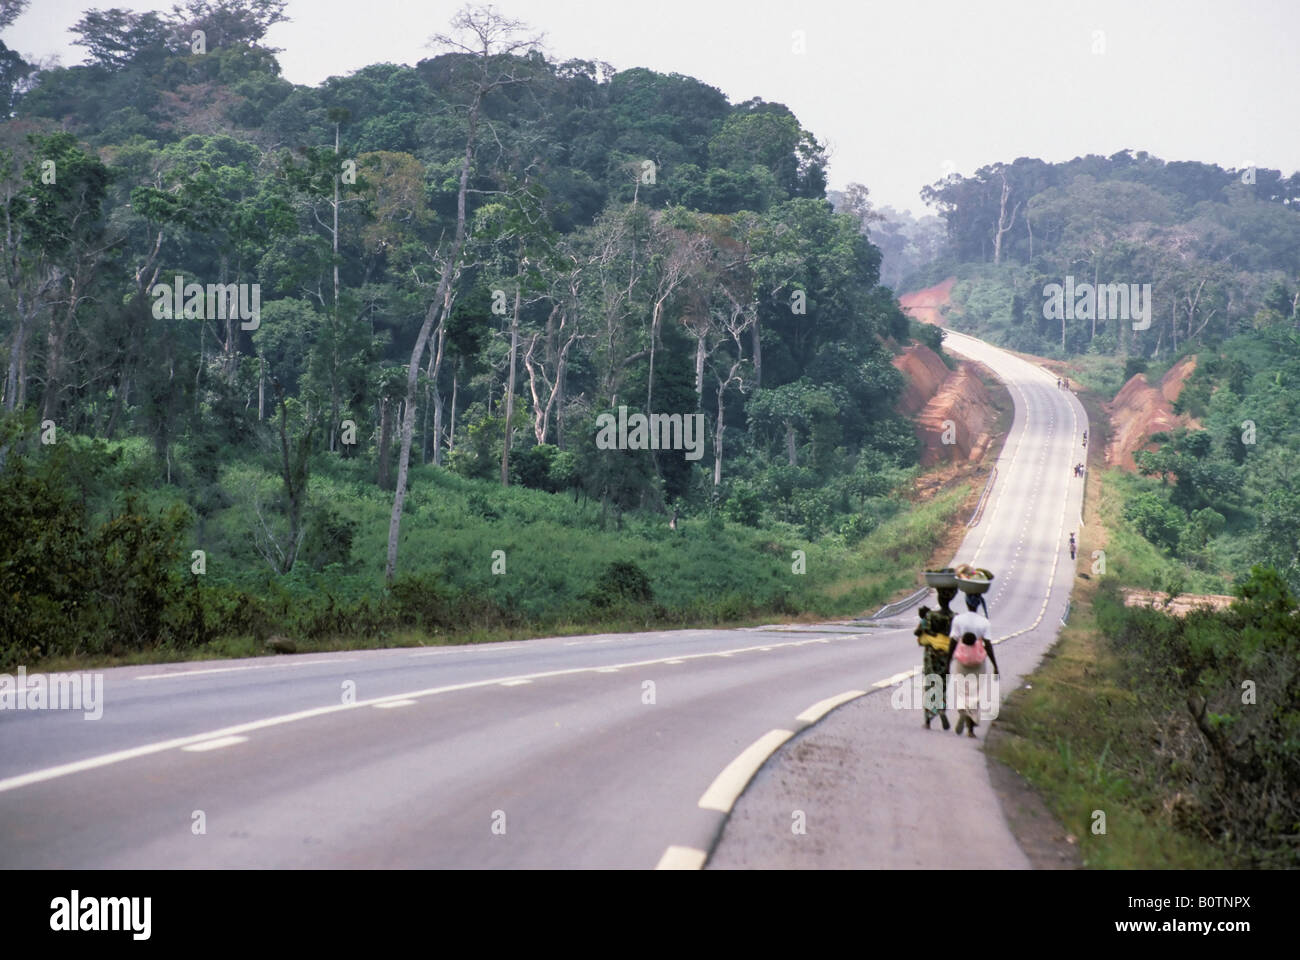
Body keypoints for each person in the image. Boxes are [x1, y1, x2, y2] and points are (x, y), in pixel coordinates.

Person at [949, 593, 999, 738]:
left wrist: (948, 661)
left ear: (966, 602)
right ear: (978, 604)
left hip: (962, 659)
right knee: (975, 694)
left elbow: (953, 641)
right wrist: (995, 665)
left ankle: (963, 712)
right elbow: (988, 645)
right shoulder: (984, 622)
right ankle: (970, 729)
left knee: (962, 691)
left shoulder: (958, 620)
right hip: (978, 661)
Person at [914, 586, 957, 730]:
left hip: (931, 656)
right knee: (943, 686)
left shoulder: (931, 616)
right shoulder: (955, 617)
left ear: (939, 598)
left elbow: (918, 631)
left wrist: (924, 618)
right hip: (946, 654)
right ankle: (942, 709)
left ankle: (928, 721)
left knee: (931, 685)